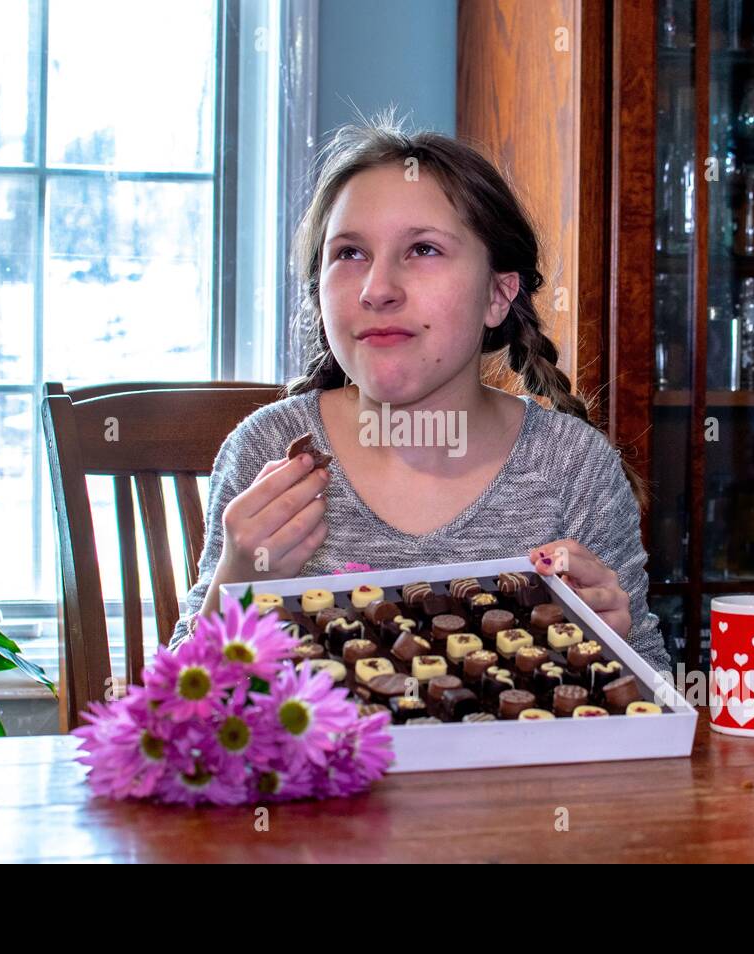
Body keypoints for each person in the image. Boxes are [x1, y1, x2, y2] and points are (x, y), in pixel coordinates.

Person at [170, 113, 671, 676]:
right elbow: (178, 716)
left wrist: (611, 648)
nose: (377, 289)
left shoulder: (572, 469)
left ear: (498, 294)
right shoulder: (263, 449)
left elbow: (654, 708)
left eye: (424, 250)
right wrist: (237, 581)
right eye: (350, 253)